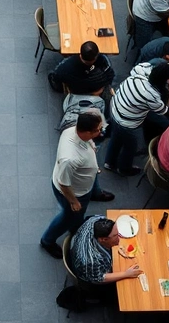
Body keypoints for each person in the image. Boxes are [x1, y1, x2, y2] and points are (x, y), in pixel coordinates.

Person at [40, 109, 115, 259]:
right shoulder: (70, 159)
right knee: (68, 216)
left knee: (77, 213)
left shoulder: (73, 130)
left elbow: (89, 144)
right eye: (98, 130)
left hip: (85, 178)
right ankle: (47, 240)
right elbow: (63, 183)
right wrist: (73, 201)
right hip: (76, 192)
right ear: (87, 132)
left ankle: (95, 195)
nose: (101, 132)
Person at [105, 61, 169, 176]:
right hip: (127, 122)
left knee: (116, 137)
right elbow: (166, 110)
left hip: (115, 109)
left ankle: (109, 162)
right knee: (130, 146)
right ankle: (124, 169)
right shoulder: (152, 95)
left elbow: (145, 66)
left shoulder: (139, 73)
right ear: (165, 80)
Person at [68, 216, 143, 298]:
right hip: (92, 279)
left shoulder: (96, 220)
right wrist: (126, 274)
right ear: (103, 239)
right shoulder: (91, 261)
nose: (120, 238)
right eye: (116, 236)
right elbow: (100, 278)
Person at [48, 40, 116, 95]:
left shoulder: (66, 68)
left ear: (80, 53)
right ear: (96, 57)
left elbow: (57, 74)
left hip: (78, 90)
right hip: (93, 89)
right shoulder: (104, 64)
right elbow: (111, 75)